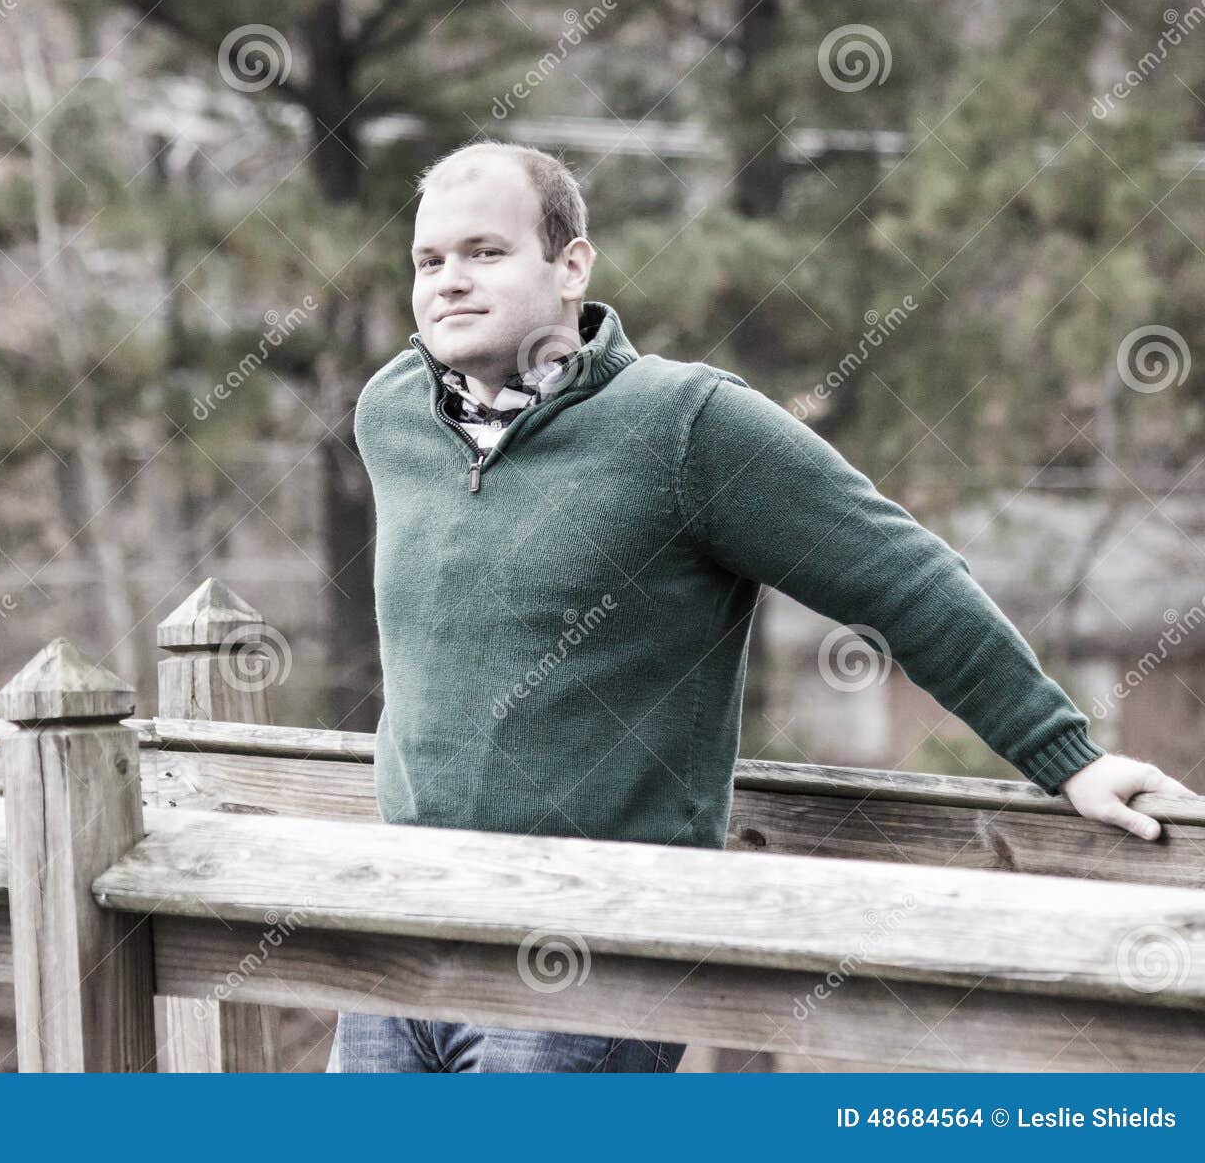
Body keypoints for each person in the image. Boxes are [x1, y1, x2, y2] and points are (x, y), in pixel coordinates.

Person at [326, 139, 1195, 1074]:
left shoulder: (685, 427)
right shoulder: (394, 415)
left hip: (586, 952)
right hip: (405, 928)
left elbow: (902, 575)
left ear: (571, 264)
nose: (449, 281)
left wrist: (1066, 754)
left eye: (485, 252)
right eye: (429, 261)